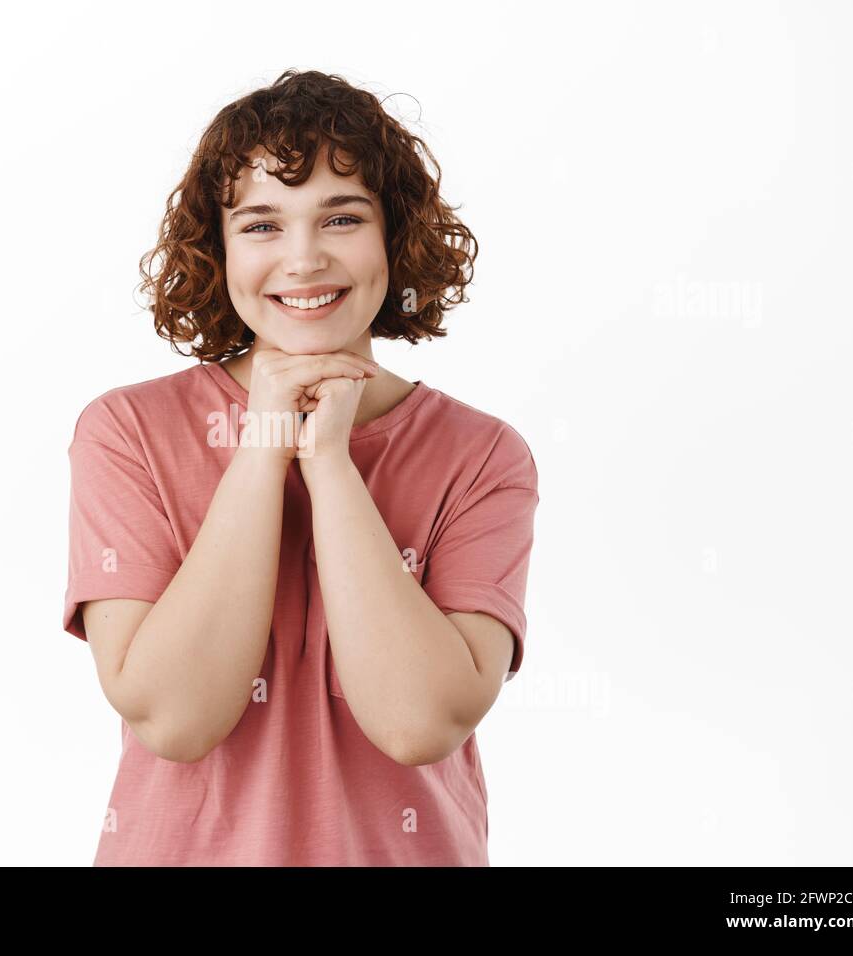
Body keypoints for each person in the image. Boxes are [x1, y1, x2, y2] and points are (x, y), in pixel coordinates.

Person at [62, 69, 539, 866]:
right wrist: (264, 442)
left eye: (342, 216)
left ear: (395, 234)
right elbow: (176, 718)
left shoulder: (482, 456)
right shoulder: (127, 432)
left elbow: (419, 722)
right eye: (261, 226)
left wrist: (329, 462)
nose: (305, 258)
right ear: (218, 248)